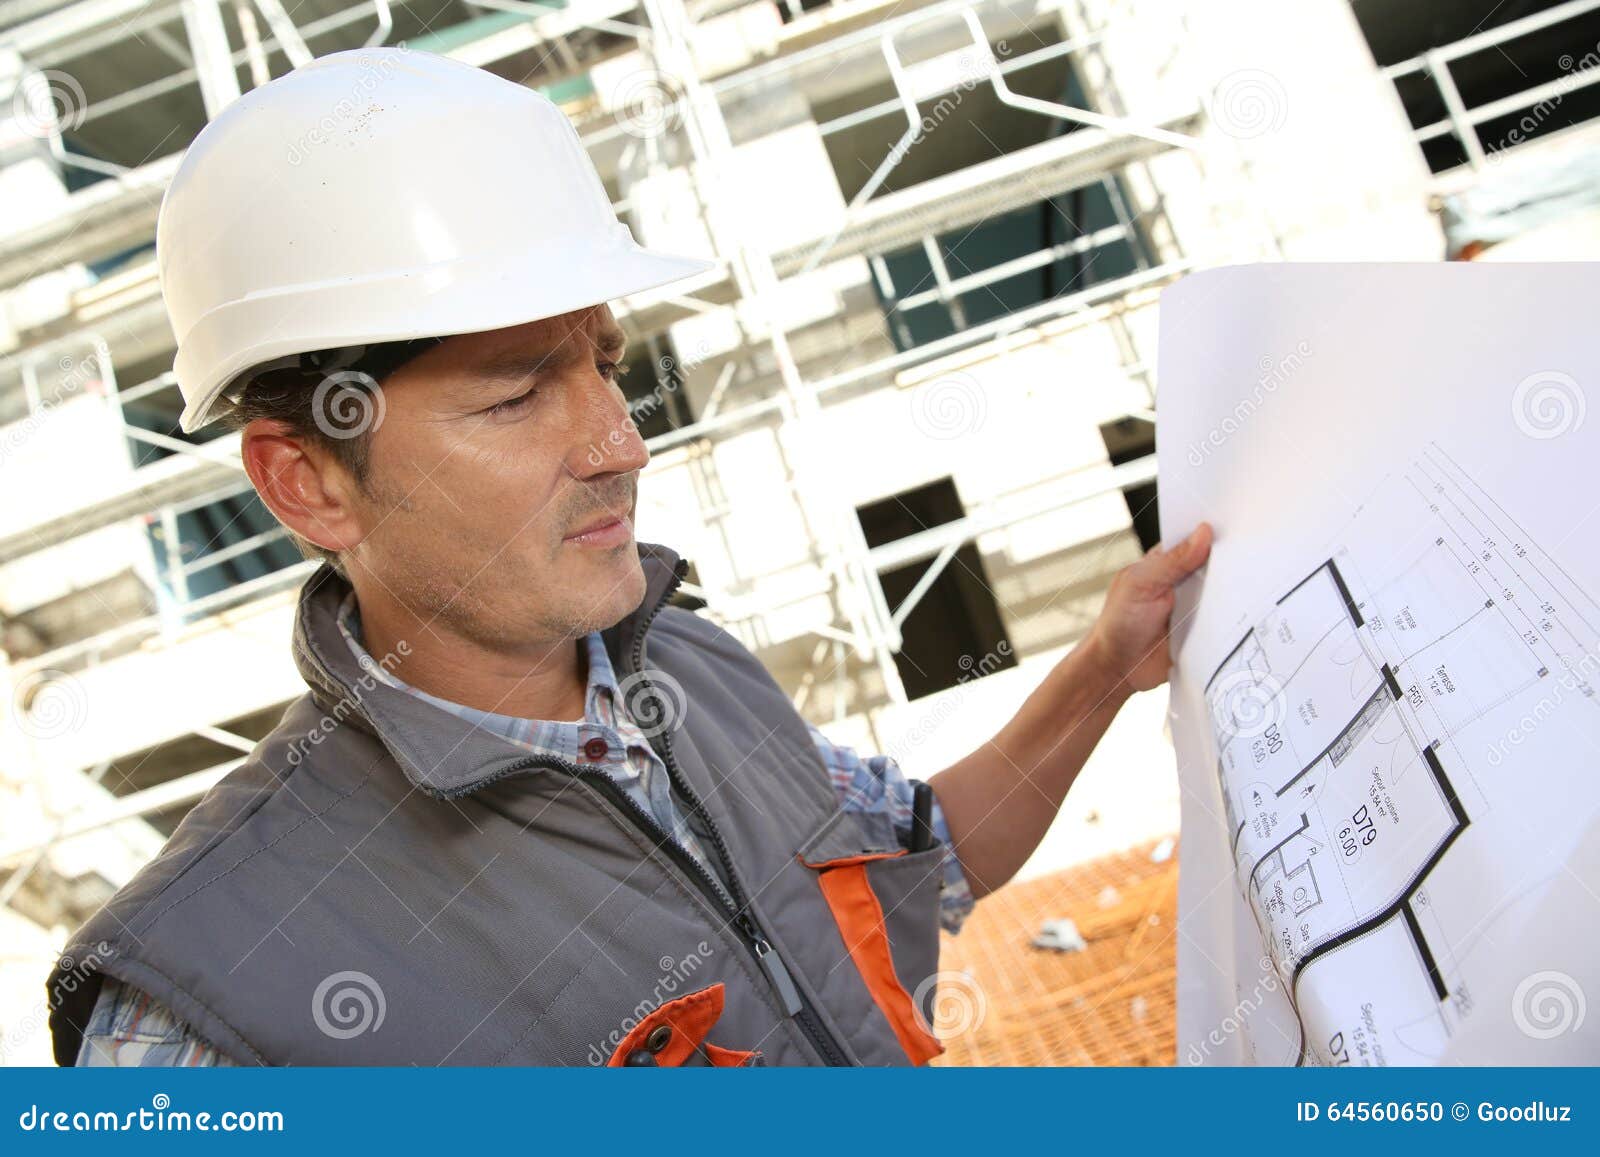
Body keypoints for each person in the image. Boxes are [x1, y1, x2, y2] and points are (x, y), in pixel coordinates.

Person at [47, 48, 1211, 1067]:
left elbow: (923, 857)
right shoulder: (207, 998)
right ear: (308, 482)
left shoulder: (692, 673)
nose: (620, 440)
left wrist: (1105, 665)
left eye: (603, 362)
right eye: (512, 397)